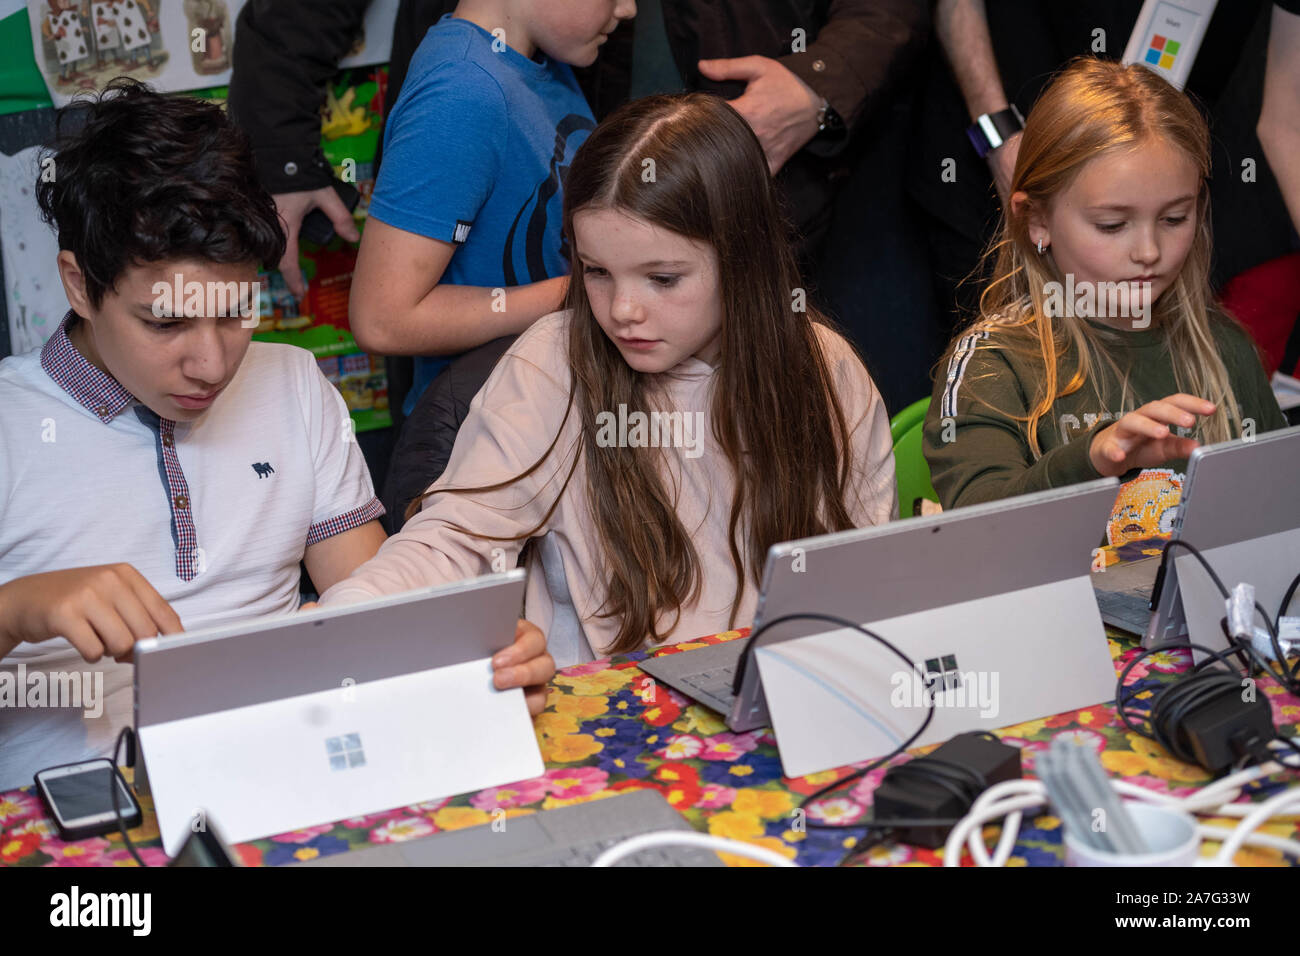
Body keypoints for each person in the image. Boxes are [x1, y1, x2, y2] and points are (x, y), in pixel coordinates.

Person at [0, 80, 548, 789]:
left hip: (286, 776)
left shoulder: (292, 385)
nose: (212, 362)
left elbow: (376, 618)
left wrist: (469, 658)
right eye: (164, 323)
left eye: (235, 313)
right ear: (79, 285)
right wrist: (15, 610)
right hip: (73, 815)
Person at [316, 93, 897, 665]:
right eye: (595, 272)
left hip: (781, 701)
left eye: (663, 278)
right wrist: (343, 618)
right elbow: (453, 541)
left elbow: (867, 573)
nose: (622, 310)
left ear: (745, 258)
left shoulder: (827, 369)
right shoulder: (553, 364)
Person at [923, 59, 1288, 544]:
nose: (1149, 252)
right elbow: (980, 535)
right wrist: (1093, 458)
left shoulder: (1223, 349)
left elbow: (1278, 524)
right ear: (1036, 220)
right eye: (1112, 225)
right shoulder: (993, 366)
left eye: (1175, 218)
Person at [350, 0, 635, 419]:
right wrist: (579, 291)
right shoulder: (463, 90)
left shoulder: (534, 58)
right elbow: (382, 319)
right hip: (486, 442)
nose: (627, 9)